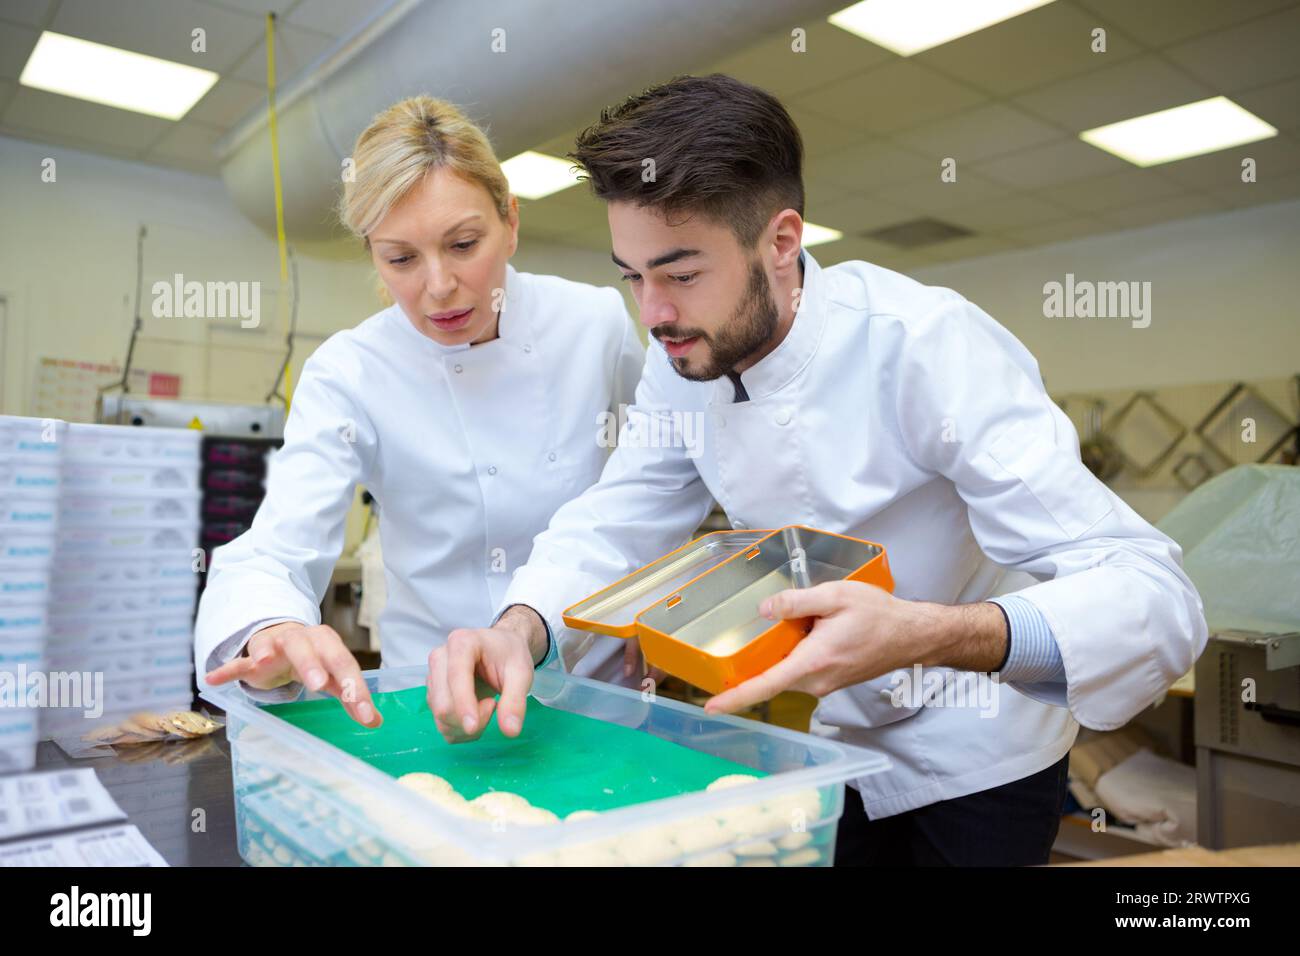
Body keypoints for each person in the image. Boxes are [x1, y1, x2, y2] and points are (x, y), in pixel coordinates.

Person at [426, 75, 1209, 865]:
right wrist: (518, 629)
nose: (652, 313)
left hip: (981, 748)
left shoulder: (925, 345)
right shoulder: (681, 360)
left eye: (681, 274)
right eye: (633, 276)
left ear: (781, 242)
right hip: (838, 745)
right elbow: (617, 517)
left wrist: (927, 634)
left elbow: (1154, 596)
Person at [195, 96, 644, 728]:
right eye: (400, 258)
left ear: (510, 223)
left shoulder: (593, 324)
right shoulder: (349, 370)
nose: (437, 286)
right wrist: (271, 627)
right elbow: (277, 547)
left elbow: (653, 486)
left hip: (590, 684)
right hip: (429, 693)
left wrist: (642, 615)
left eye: (463, 244)